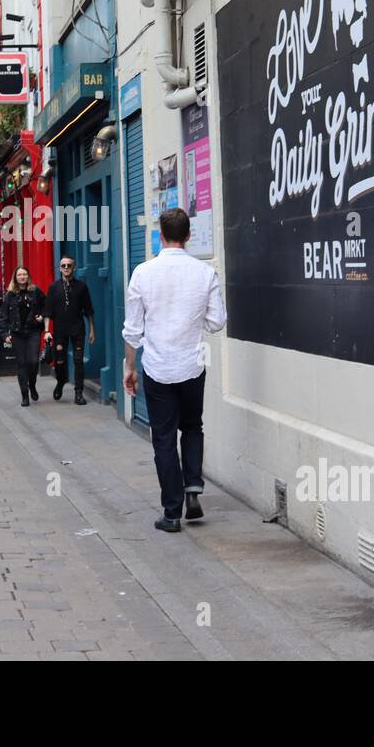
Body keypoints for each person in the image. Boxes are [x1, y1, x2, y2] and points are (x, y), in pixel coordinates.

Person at [122, 208, 228, 533]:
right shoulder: (205, 273)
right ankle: (193, 487)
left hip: (157, 367)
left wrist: (130, 367)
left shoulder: (142, 273)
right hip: (193, 365)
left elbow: (132, 330)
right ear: (188, 235)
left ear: (161, 234)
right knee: (193, 425)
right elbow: (217, 321)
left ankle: (171, 513)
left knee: (164, 439)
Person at [44, 256, 95, 405]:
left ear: (74, 268)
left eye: (69, 265)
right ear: (60, 268)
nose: (66, 268)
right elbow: (48, 311)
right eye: (63, 265)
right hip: (60, 330)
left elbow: (89, 310)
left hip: (78, 329)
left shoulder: (82, 287)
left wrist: (92, 329)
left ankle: (78, 393)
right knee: (59, 361)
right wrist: (47, 330)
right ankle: (60, 382)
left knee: (78, 361)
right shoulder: (54, 288)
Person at [2, 267, 45, 406]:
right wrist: (5, 334)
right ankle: (25, 395)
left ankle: (32, 384)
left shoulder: (36, 291)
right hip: (17, 333)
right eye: (19, 274)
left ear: (28, 276)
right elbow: (3, 316)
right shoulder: (9, 294)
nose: (22, 277)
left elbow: (47, 306)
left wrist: (42, 316)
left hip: (33, 331)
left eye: (24, 274)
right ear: (15, 277)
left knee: (33, 361)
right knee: (21, 364)